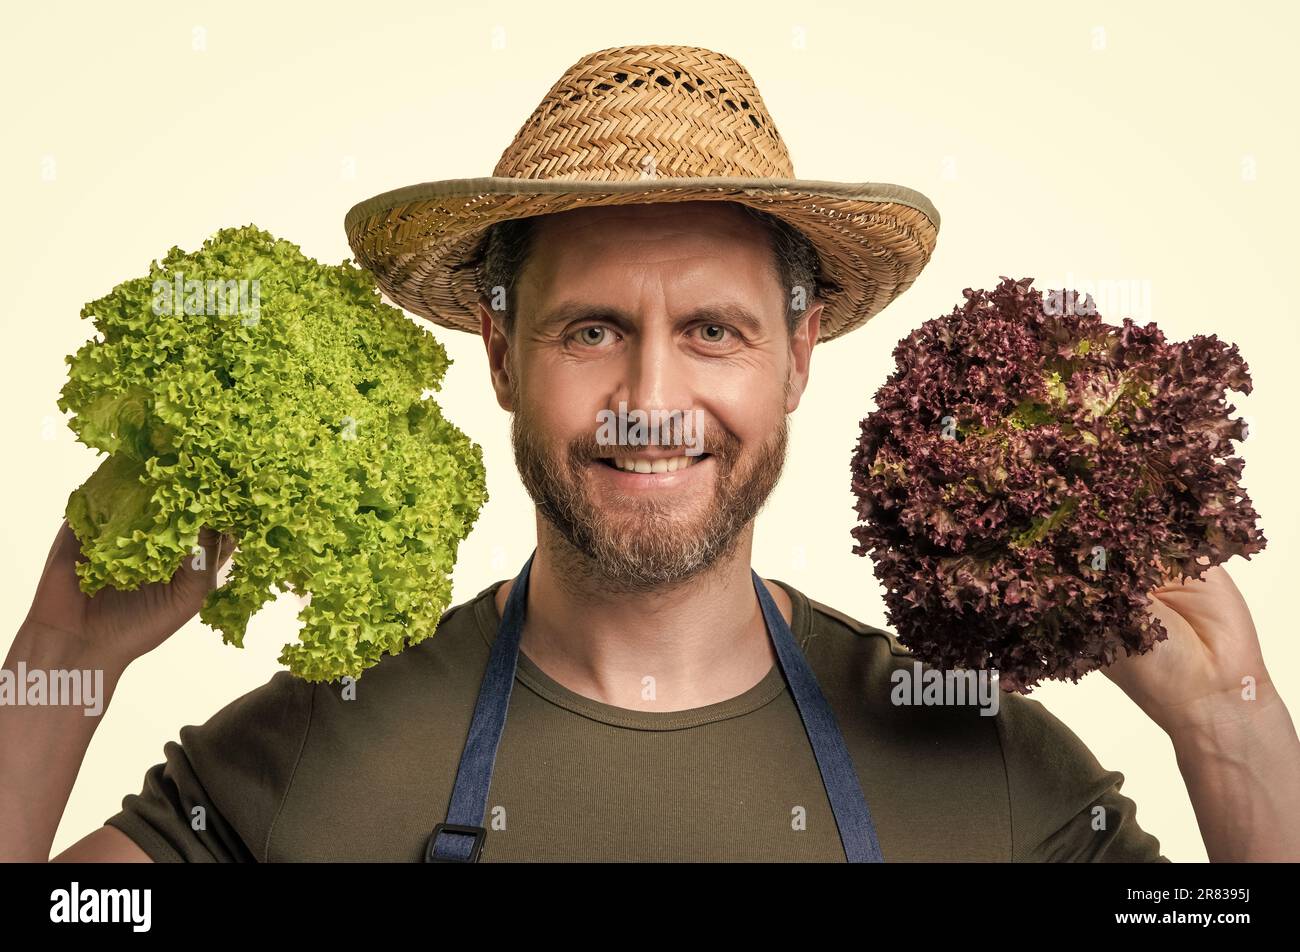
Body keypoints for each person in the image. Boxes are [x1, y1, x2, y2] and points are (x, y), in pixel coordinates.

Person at [5, 45, 1297, 863]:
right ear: (500, 355)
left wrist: (1230, 727)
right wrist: (59, 664)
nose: (650, 401)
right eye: (592, 330)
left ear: (799, 356)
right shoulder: (311, 750)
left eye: (714, 331)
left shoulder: (985, 763)